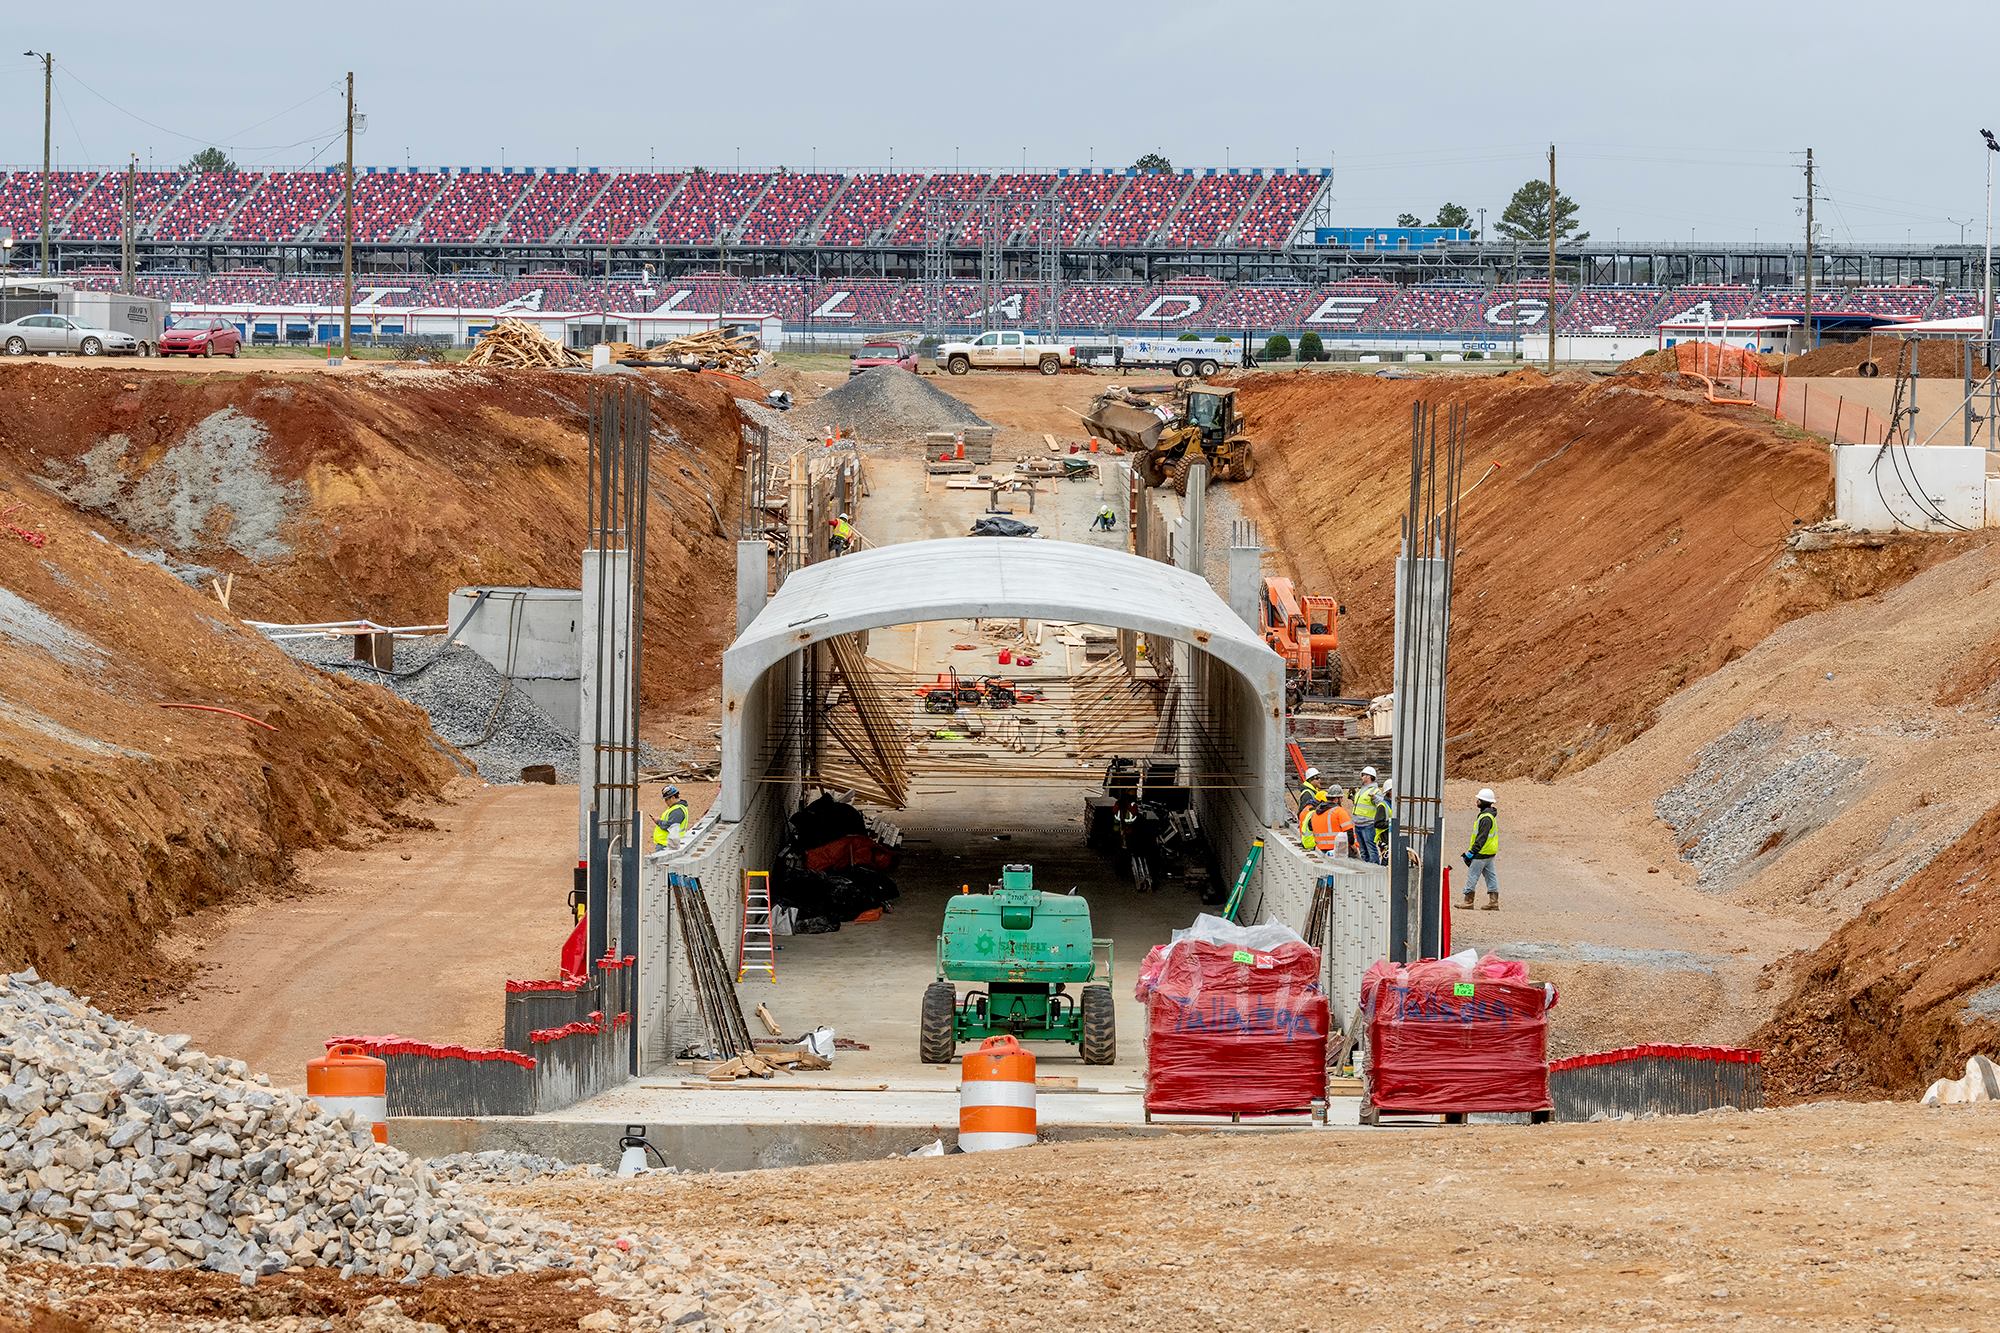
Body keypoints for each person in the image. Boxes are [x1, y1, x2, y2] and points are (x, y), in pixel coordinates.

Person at [1462, 787, 1500, 910]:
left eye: (1479, 799)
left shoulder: (1485, 818)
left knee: (1472, 876)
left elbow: (1481, 838)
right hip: (1489, 853)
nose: (1477, 801)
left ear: (1484, 801)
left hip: (1481, 853)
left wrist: (1471, 852)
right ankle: (1494, 902)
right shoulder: (1489, 816)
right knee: (1491, 877)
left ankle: (1468, 901)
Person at [1352, 766, 1385, 865]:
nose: (1362, 777)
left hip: (1368, 825)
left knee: (1371, 849)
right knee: (1363, 850)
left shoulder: (1375, 791)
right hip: (1358, 824)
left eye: (1363, 775)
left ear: (1369, 776)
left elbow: (1381, 802)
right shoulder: (1361, 790)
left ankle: (1374, 868)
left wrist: (1374, 797)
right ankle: (1366, 867)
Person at [652, 785, 690, 852]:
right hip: (668, 843)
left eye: (666, 799)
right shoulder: (675, 808)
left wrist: (658, 821)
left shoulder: (677, 810)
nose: (665, 802)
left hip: (667, 845)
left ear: (672, 798)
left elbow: (670, 826)